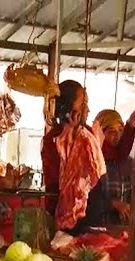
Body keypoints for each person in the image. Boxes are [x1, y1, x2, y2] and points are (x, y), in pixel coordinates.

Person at [42, 81, 109, 233]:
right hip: (64, 219)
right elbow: (56, 182)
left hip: (91, 216)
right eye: (83, 104)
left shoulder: (86, 135)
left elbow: (98, 174)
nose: (88, 110)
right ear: (67, 109)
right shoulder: (52, 140)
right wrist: (70, 135)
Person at [94, 108, 135, 224]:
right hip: (98, 228)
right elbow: (88, 200)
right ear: (101, 134)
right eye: (111, 131)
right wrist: (113, 204)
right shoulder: (94, 161)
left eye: (120, 130)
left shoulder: (129, 162)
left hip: (123, 229)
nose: (118, 135)